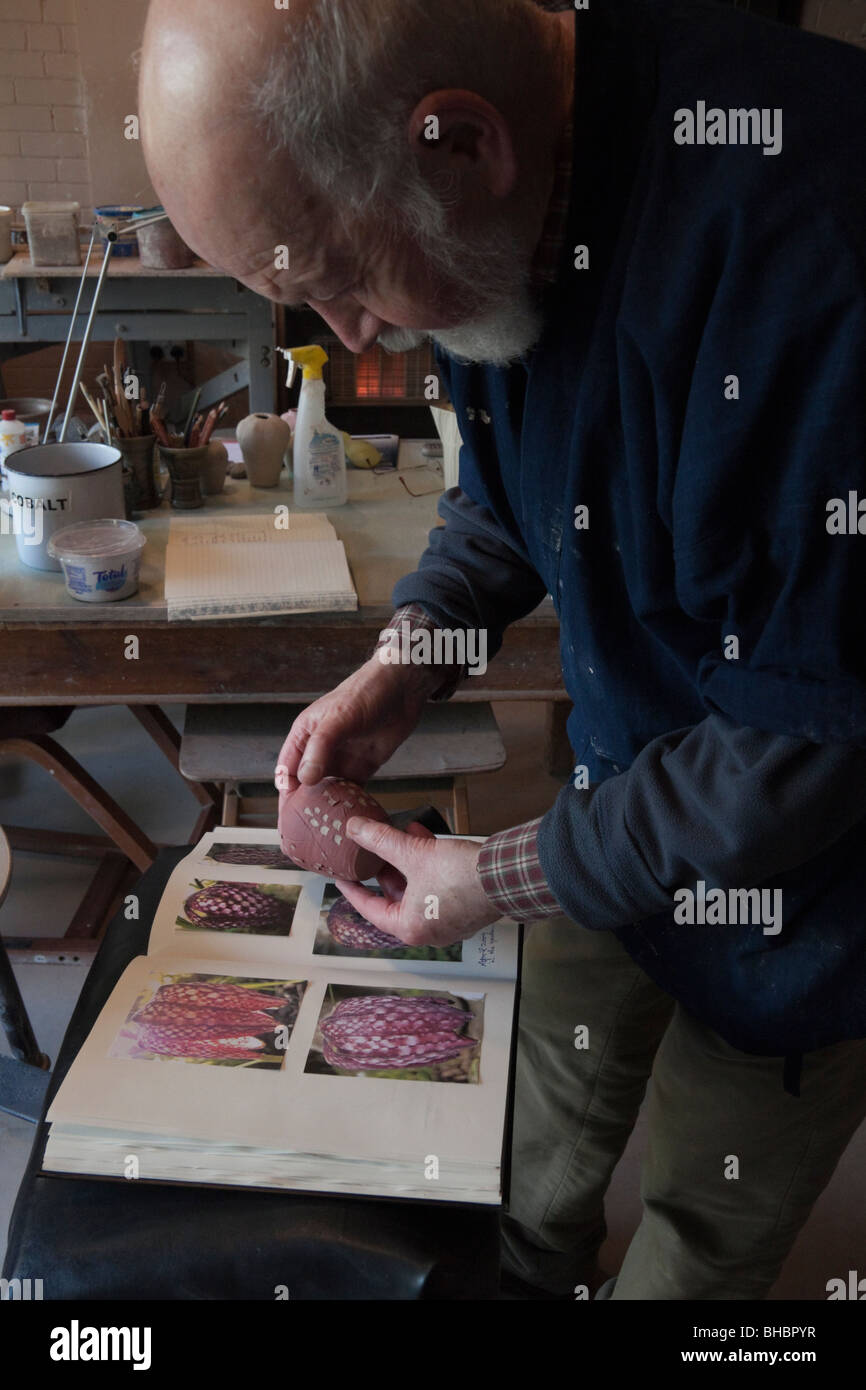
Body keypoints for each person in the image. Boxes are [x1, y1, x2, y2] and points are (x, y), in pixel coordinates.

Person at [140, 0, 866, 1299]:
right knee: (526, 1167)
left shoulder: (809, 246)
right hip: (613, 793)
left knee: (698, 1238)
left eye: (338, 286)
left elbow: (800, 746)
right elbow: (509, 499)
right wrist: (401, 666)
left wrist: (496, 870)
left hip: (806, 906)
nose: (348, 337)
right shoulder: (498, 214)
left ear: (458, 142)